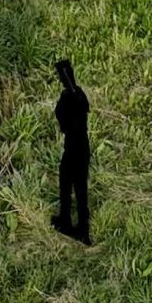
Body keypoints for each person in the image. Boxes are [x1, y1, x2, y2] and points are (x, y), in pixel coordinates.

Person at [52, 60, 93, 244]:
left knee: (72, 185)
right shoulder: (78, 94)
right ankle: (70, 221)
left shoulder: (71, 97)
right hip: (80, 146)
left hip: (75, 147)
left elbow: (63, 118)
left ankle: (78, 227)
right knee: (73, 185)